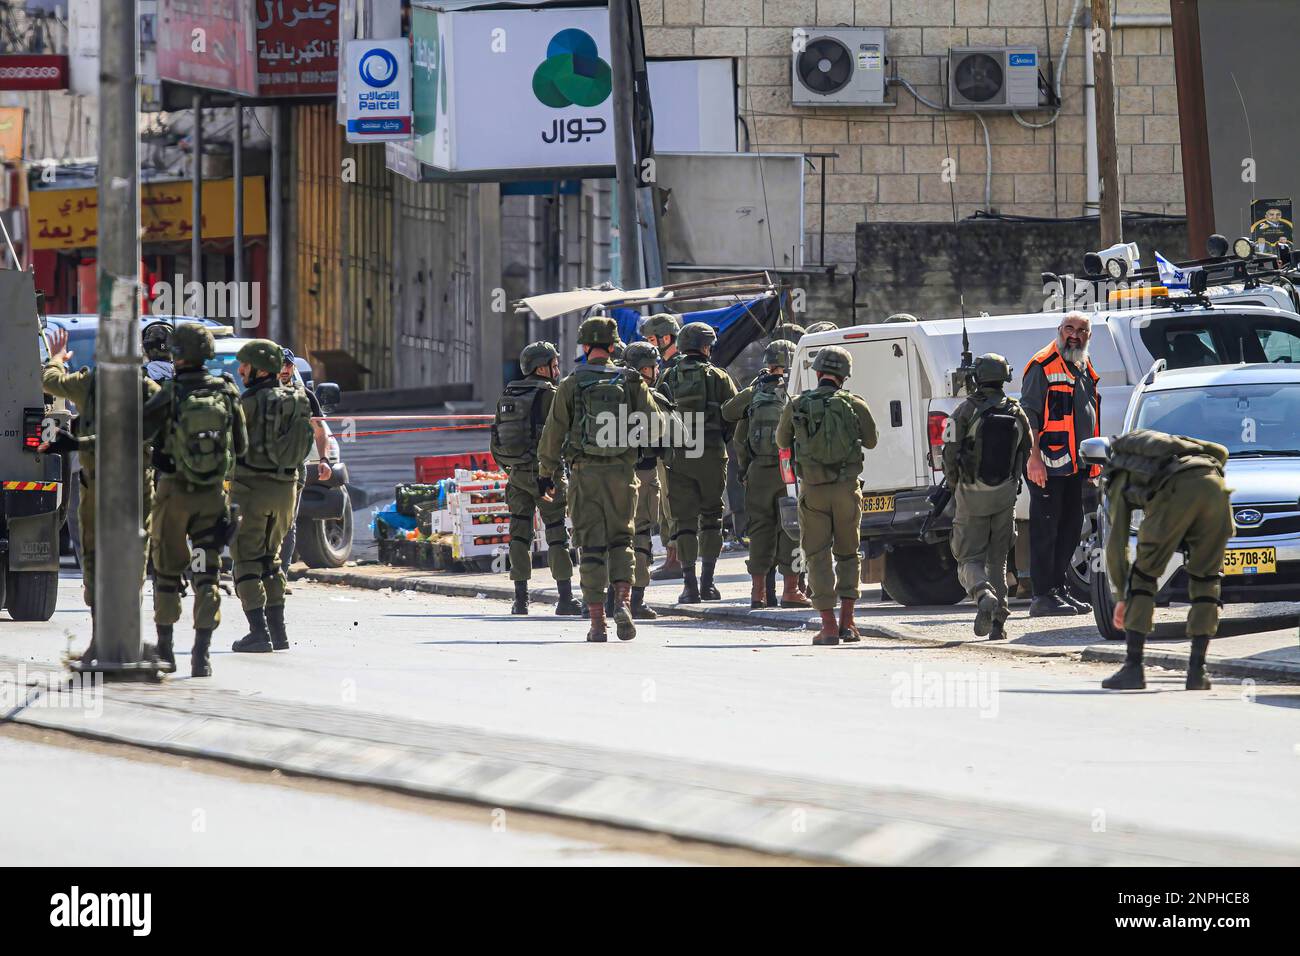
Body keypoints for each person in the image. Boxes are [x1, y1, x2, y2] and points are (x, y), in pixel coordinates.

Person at [40, 327, 162, 665]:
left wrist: (57, 358)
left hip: (97, 489)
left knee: (95, 560)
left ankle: (103, 642)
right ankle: (123, 641)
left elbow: (49, 380)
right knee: (132, 560)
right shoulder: (146, 389)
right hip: (136, 489)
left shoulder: (89, 383)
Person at [538, 317, 659, 642]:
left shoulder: (571, 382)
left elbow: (553, 433)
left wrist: (545, 475)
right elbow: (657, 426)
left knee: (590, 546)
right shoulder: (631, 380)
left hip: (584, 475)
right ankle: (621, 603)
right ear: (612, 345)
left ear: (585, 346)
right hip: (623, 474)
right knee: (622, 541)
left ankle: (597, 623)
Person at [143, 324, 247, 677]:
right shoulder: (226, 391)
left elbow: (139, 435)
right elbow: (242, 446)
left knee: (167, 573)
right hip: (212, 496)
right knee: (207, 573)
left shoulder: (168, 392)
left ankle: (166, 650)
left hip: (173, 493)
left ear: (178, 354)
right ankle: (201, 656)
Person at [1100, 429, 1233, 690]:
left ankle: (1133, 668)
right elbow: (1222, 453)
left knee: (1144, 576)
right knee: (1206, 579)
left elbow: (1115, 542)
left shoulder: (1120, 471)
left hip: (1175, 492)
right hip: (1215, 487)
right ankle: (1197, 671)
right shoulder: (1182, 448)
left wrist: (1121, 597)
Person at [776, 346, 877, 645]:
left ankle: (829, 626)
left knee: (818, 556)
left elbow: (781, 441)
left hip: (814, 491)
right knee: (848, 554)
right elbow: (871, 441)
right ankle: (850, 623)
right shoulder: (855, 403)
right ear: (844, 376)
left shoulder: (798, 404)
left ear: (817, 372)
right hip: (847, 488)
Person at [228, 339, 315, 654]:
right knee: (272, 560)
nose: (240, 370)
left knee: (246, 560)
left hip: (250, 491)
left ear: (261, 369)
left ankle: (258, 632)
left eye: (246, 365)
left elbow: (229, 448)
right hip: (285, 492)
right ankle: (279, 633)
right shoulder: (296, 399)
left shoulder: (246, 403)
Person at [941, 354, 1032, 640]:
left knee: (968, 558)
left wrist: (956, 487)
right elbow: (1025, 450)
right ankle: (998, 624)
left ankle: (982, 594)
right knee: (999, 560)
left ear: (977, 378)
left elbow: (949, 454)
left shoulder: (964, 411)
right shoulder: (1018, 412)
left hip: (972, 494)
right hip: (1005, 495)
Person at [490, 341, 584, 616]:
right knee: (556, 534)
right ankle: (565, 598)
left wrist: (513, 470)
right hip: (547, 475)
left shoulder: (509, 394)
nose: (557, 369)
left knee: (519, 535)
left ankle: (520, 601)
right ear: (542, 367)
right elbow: (561, 436)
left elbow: (495, 441)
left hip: (516, 474)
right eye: (553, 364)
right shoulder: (550, 395)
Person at [1021, 311, 1100, 617]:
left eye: (1081, 330)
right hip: (1047, 464)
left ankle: (1058, 590)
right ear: (1059, 330)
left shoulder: (1082, 364)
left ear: (1088, 336)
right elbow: (1029, 416)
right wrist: (1033, 458)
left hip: (1074, 466)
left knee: (1069, 530)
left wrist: (1093, 464)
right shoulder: (1042, 364)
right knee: (1046, 530)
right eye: (1069, 328)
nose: (1074, 334)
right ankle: (1042, 596)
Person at [722, 339, 810, 610]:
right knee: (791, 528)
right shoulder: (800, 391)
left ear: (768, 364)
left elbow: (731, 419)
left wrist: (747, 468)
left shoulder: (755, 393)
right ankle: (792, 590)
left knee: (760, 529)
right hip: (789, 470)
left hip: (758, 470)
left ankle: (758, 592)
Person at [659, 321, 738, 604]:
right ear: (705, 347)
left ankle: (689, 586)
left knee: (684, 523)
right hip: (712, 455)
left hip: (679, 456)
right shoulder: (719, 377)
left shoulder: (667, 376)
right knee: (712, 520)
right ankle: (708, 583)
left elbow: (657, 416)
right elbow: (733, 416)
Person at [622, 341, 672, 619]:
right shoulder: (651, 396)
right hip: (644, 472)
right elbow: (666, 436)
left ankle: (609, 597)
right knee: (641, 534)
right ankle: (636, 600)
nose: (657, 370)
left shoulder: (608, 392)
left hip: (612, 472)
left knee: (612, 537)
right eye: (654, 366)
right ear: (645, 369)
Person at [276, 348, 332, 576]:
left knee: (288, 524)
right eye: (279, 365)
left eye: (288, 365)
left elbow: (320, 432)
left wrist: (325, 460)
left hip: (293, 470)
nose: (283, 370)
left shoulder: (305, 397)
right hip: (261, 470)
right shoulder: (260, 395)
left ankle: (281, 575)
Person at [640, 313, 683, 581]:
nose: (649, 344)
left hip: (674, 444)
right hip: (672, 443)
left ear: (666, 338)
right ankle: (673, 556)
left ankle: (675, 559)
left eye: (652, 339)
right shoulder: (668, 366)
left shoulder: (673, 369)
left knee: (672, 502)